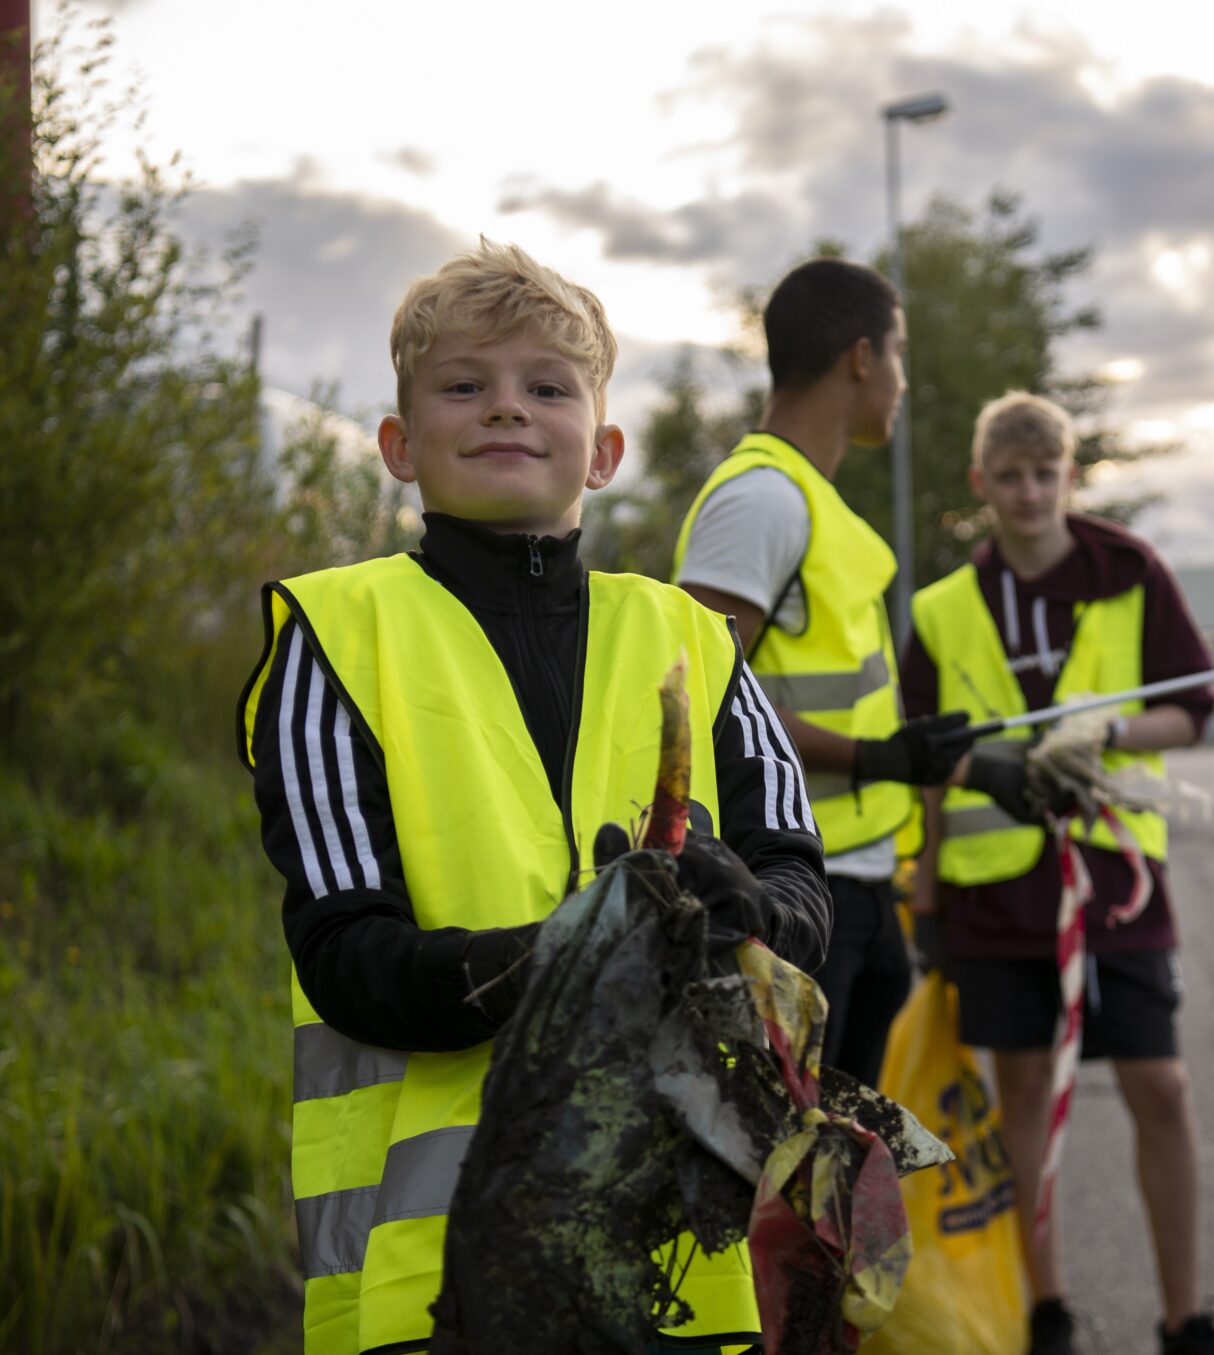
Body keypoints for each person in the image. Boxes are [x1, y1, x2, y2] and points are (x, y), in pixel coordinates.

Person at [237, 240, 831, 1355]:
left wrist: (739, 912)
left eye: (546, 387)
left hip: (674, 1259)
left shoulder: (694, 639)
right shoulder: (335, 635)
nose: (507, 408)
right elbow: (344, 952)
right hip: (430, 1271)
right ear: (400, 446)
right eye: (466, 384)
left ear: (602, 448)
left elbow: (800, 880)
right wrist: (558, 954)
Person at [902, 391, 1214, 1355]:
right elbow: (926, 761)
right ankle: (1045, 1309)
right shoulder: (944, 608)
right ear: (980, 486)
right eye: (1007, 477)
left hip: (1115, 879)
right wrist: (924, 888)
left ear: (1071, 475)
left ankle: (1185, 1317)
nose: (1028, 492)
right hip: (995, 889)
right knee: (1020, 1099)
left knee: (1161, 1084)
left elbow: (1192, 710)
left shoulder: (1130, 572)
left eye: (1044, 473)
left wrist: (1110, 730)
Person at [672, 258, 968, 1090]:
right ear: (863, 358)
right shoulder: (764, 501)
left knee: (837, 1182)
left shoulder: (813, 499)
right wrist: (874, 759)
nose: (902, 382)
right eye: (901, 356)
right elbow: (694, 703)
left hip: (862, 884)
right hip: (798, 892)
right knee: (790, 1184)